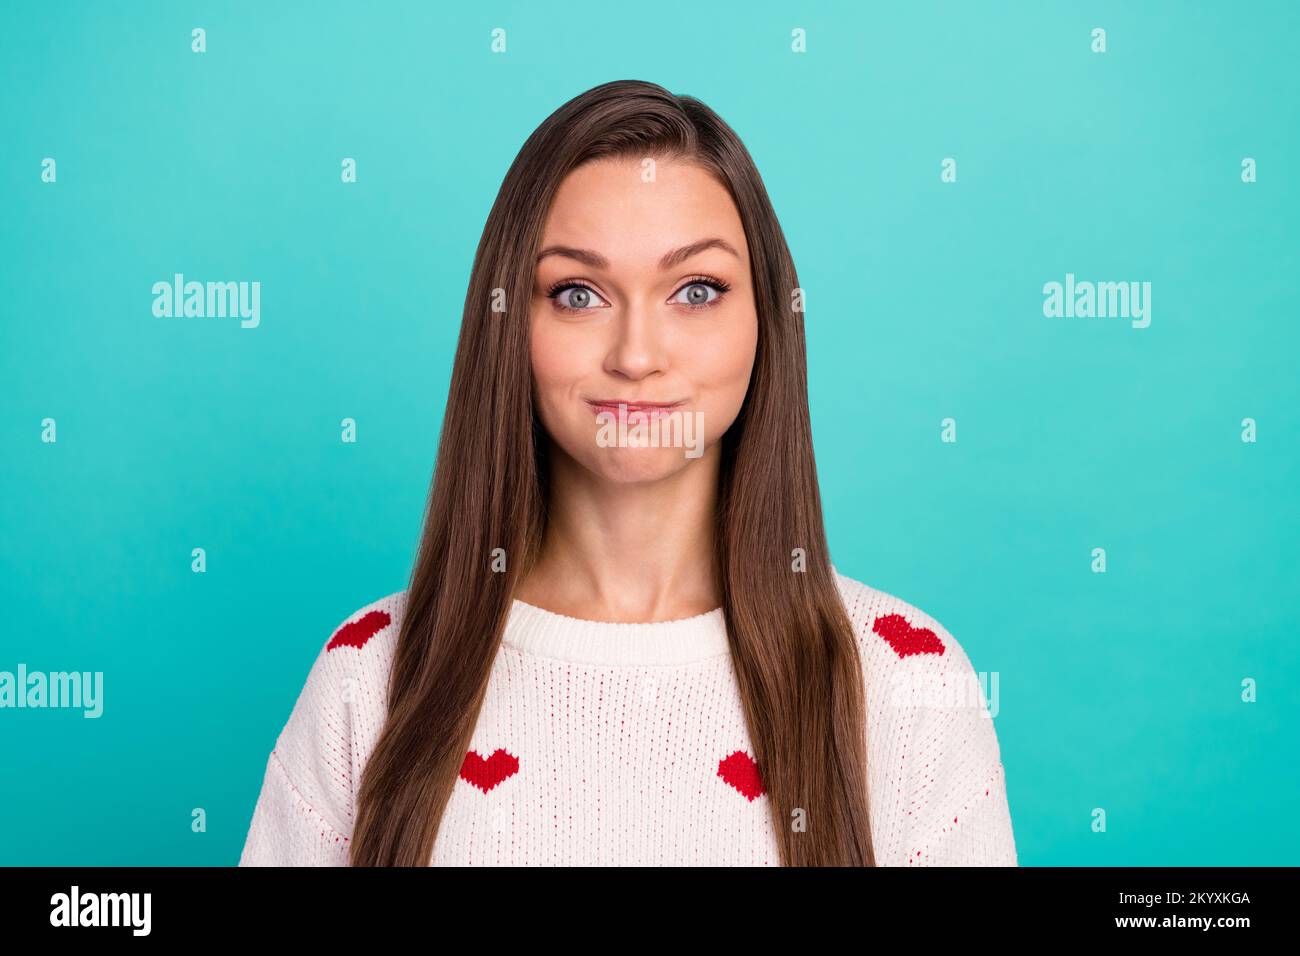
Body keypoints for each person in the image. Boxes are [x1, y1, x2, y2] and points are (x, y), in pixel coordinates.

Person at [238, 79, 1017, 867]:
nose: (637, 356)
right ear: (508, 324)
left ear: (767, 320)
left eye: (696, 291)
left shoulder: (910, 684)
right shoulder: (368, 675)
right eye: (578, 294)